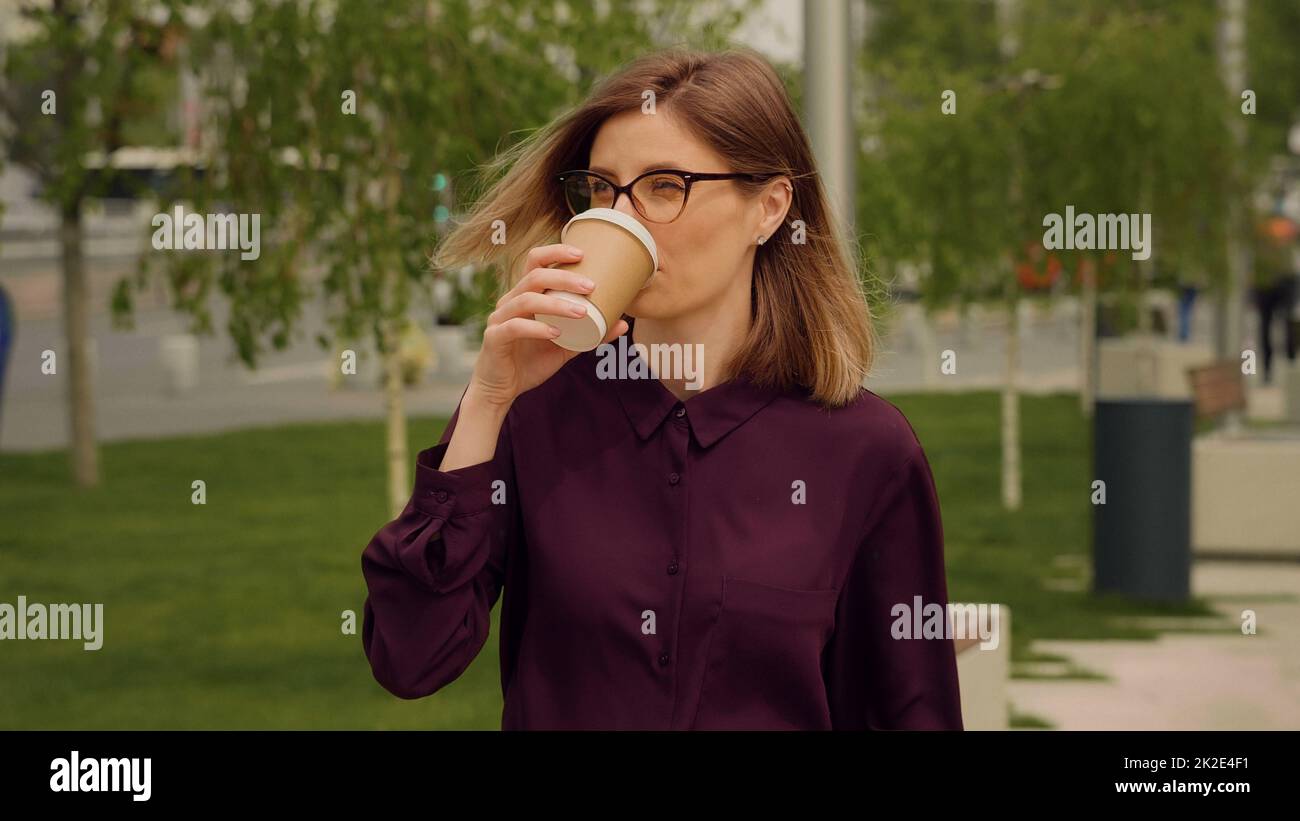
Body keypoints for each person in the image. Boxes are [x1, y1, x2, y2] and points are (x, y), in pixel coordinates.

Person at [359, 48, 963, 730]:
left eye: (664, 186)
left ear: (768, 208)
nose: (625, 217)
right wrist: (489, 397)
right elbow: (410, 656)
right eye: (603, 188)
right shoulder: (534, 414)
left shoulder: (865, 451)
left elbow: (910, 711)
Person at [1252, 210, 1299, 383]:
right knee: (1265, 327)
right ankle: (1267, 371)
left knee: (1288, 323)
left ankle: (1292, 365)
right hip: (1265, 281)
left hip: (1287, 280)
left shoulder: (1290, 223)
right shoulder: (1260, 226)